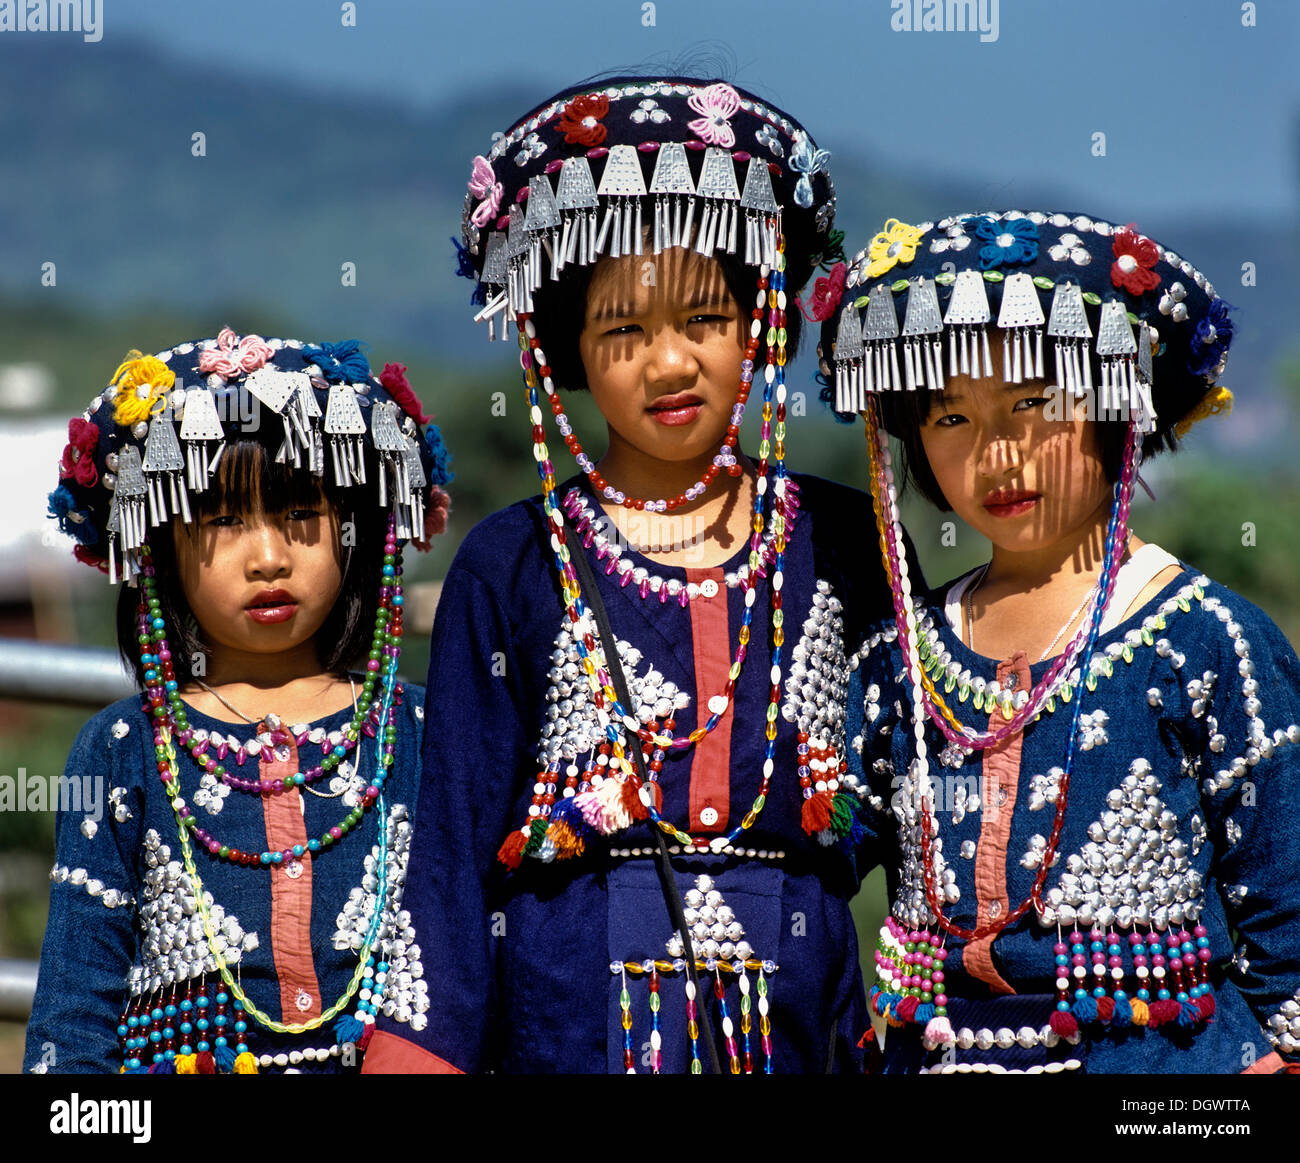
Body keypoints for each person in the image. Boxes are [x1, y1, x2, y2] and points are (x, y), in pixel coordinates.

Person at [363, 76, 911, 1074]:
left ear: (763, 322)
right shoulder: (511, 561)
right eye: (623, 330)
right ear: (564, 348)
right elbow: (447, 853)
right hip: (571, 1023)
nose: (669, 363)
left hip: (807, 1021)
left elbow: (927, 829)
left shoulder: (849, 543)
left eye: (703, 317)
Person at [821, 209, 1300, 1073]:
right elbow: (817, 849)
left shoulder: (1210, 641)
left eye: (1034, 402)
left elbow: (1288, 918)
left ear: (1120, 401)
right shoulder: (899, 656)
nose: (998, 454)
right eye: (951, 417)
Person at [24, 330, 452, 1073]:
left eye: (299, 516)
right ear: (160, 545)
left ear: (353, 533)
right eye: (224, 520)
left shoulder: (417, 733)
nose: (269, 556)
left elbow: (472, 970)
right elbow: (74, 1019)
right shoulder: (124, 749)